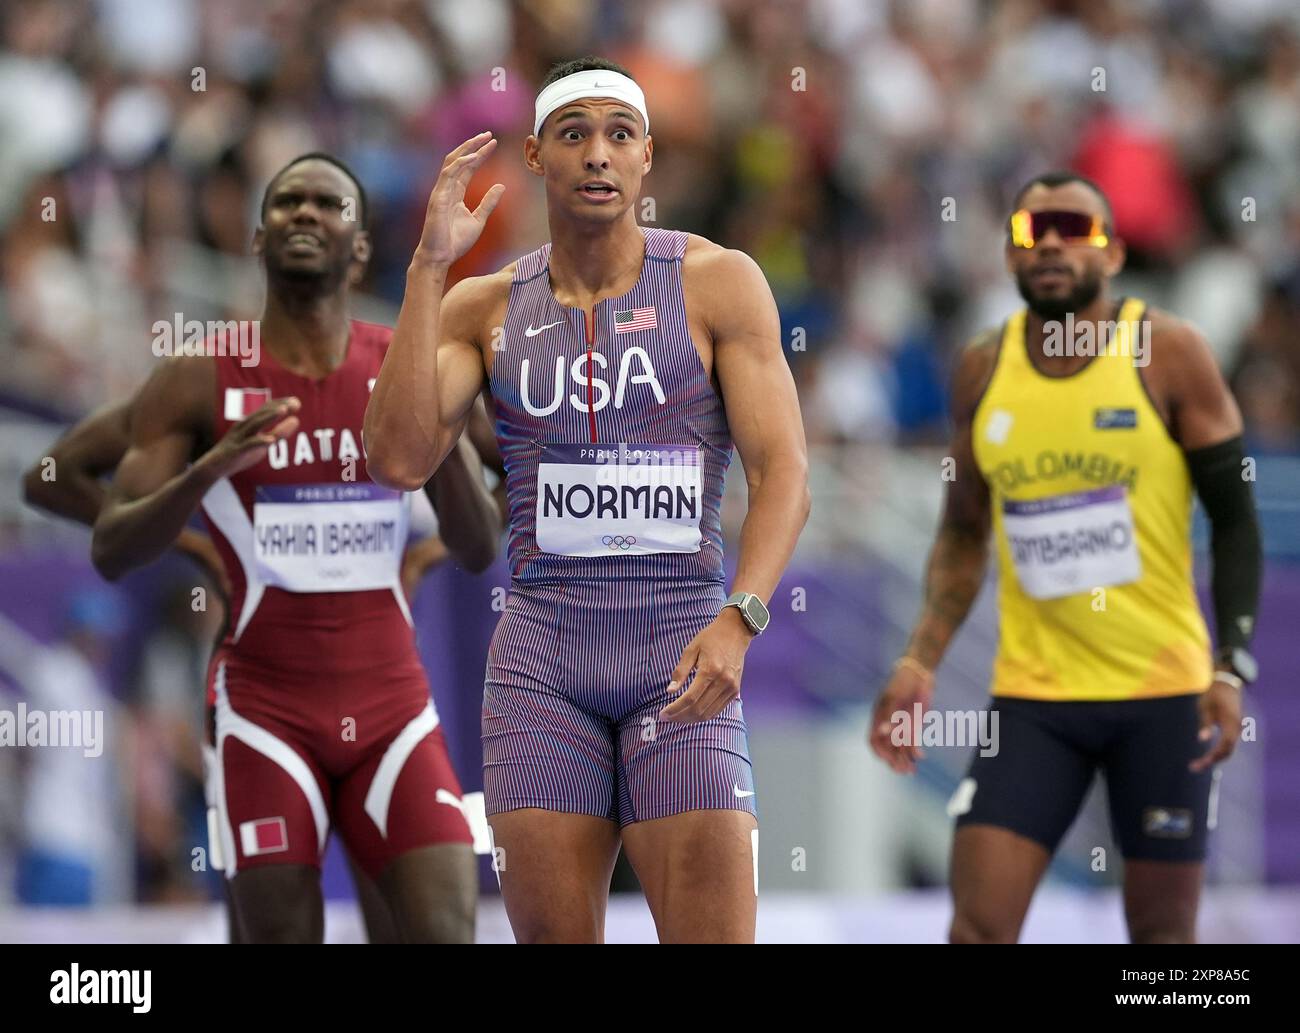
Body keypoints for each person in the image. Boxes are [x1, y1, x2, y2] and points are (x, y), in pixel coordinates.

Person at [364, 57, 811, 943]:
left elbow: (786, 473)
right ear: (536, 155)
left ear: (647, 156)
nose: (597, 155)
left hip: (682, 651)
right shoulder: (482, 305)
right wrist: (427, 267)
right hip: (542, 666)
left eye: (618, 135)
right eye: (574, 135)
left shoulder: (717, 283)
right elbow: (398, 457)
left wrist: (743, 615)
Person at [91, 152, 501, 943]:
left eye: (327, 204)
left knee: (448, 930)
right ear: (256, 238)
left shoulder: (406, 366)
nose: (305, 214)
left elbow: (481, 546)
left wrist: (428, 438)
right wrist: (209, 470)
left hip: (394, 708)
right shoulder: (198, 375)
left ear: (358, 247)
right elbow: (113, 546)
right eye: (286, 203)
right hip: (266, 713)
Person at [870, 171, 1263, 944]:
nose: (1049, 242)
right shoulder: (982, 370)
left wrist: (1230, 665)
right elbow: (960, 531)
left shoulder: (1168, 353)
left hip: (1164, 693)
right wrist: (919, 658)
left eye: (1072, 228)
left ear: (1113, 252)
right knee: (976, 927)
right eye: (1029, 232)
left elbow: (1237, 521)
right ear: (1011, 259)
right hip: (1036, 698)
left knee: (1163, 944)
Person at [21, 387, 479, 941]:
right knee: (258, 919)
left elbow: (505, 489)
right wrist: (193, 532)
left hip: (380, 712)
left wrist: (433, 549)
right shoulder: (206, 379)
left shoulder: (388, 372)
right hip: (262, 718)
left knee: (416, 921)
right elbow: (49, 478)